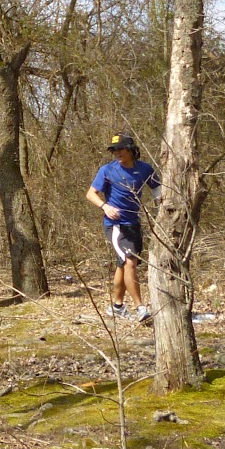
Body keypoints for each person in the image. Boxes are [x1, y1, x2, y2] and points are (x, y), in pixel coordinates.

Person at [85, 133, 160, 321]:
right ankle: (140, 307)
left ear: (130, 149)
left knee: (123, 265)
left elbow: (157, 189)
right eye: (113, 150)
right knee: (129, 262)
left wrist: (164, 209)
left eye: (120, 149)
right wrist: (105, 206)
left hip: (134, 224)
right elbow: (91, 193)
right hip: (115, 226)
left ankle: (117, 306)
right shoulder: (107, 170)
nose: (116, 153)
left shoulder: (144, 169)